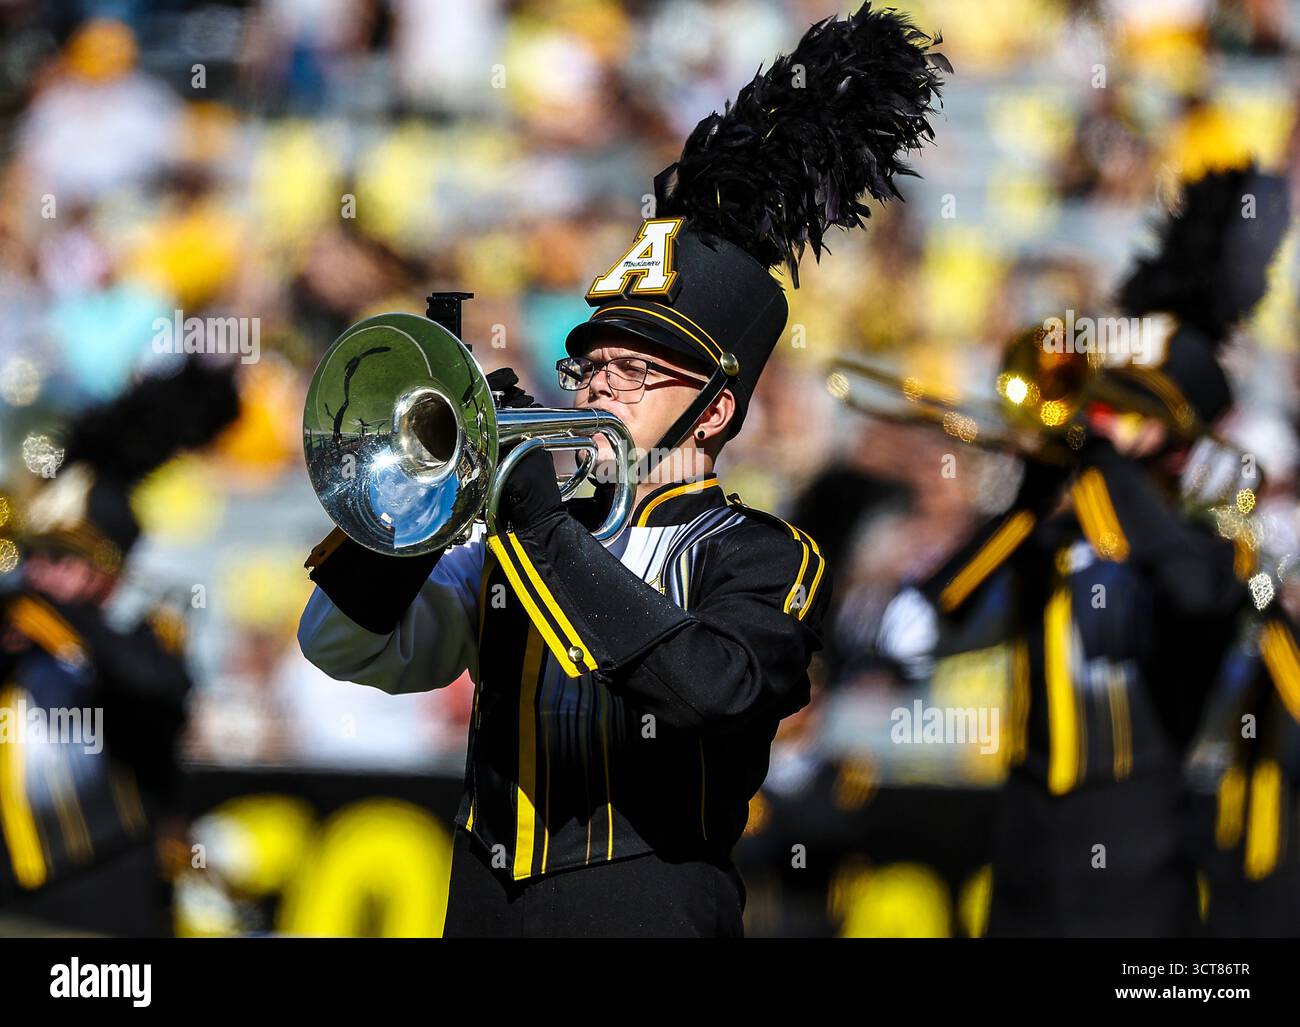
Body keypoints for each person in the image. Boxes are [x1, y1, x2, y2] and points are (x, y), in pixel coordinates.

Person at [297, 2, 946, 937]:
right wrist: (430, 499)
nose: (602, 385)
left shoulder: (763, 556)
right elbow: (341, 645)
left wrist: (537, 522)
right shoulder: (515, 540)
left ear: (716, 407)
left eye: (637, 370)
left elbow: (708, 689)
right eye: (591, 364)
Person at [882, 166, 1289, 936]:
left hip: (1139, 858)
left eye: (1123, 409)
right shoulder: (1056, 528)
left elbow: (1197, 596)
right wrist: (1034, 492)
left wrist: (1097, 460)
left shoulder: (1215, 539)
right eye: (1103, 404)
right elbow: (917, 628)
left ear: (1177, 429)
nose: (1102, 421)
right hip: (1024, 846)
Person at [0, 358, 240, 935]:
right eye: (33, 556)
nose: (39, 572)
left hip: (105, 884)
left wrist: (61, 619)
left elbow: (160, 690)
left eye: (59, 559)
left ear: (107, 566)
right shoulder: (16, 627)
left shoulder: (148, 633)